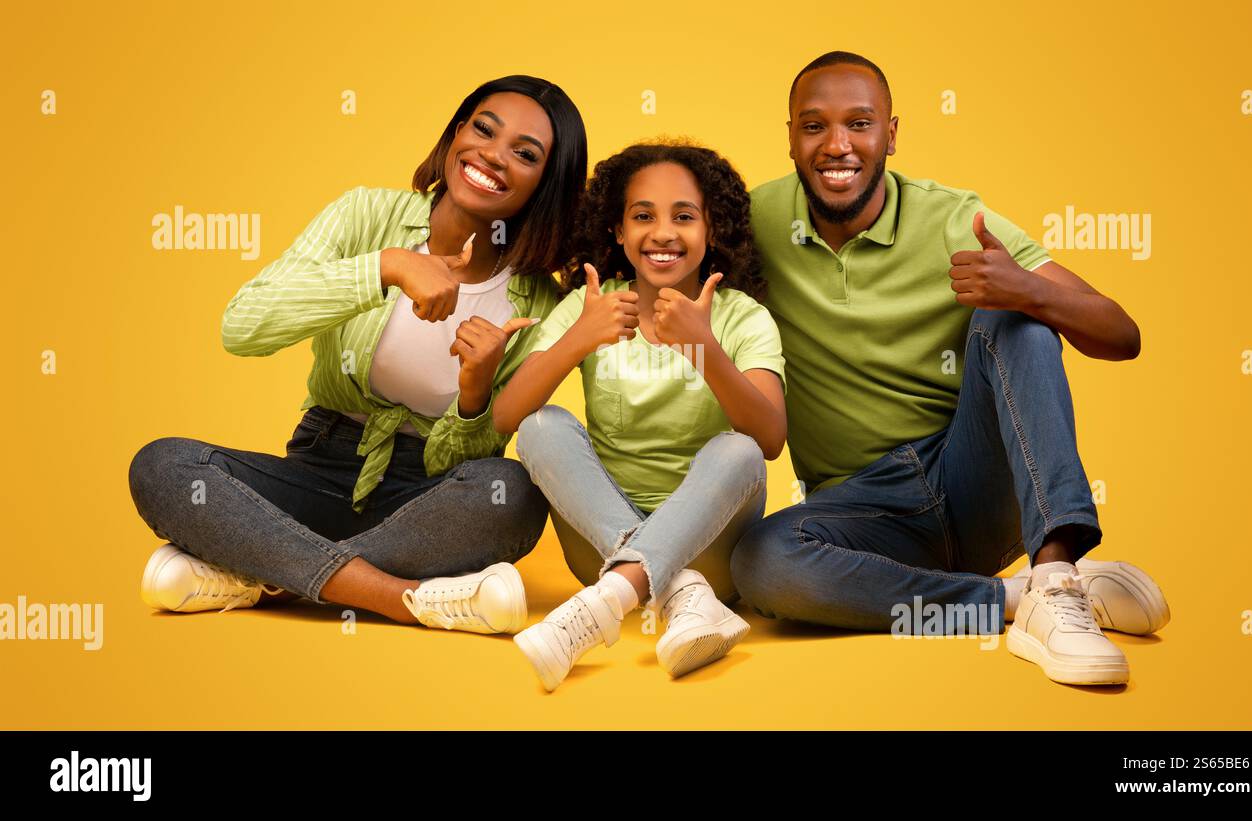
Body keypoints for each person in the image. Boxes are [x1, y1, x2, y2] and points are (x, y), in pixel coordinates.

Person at [732, 52, 1170, 686]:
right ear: (791, 138)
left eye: (859, 123)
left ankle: (1053, 564)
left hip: (970, 478)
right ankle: (1029, 601)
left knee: (1014, 315)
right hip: (861, 513)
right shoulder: (753, 222)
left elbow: (1121, 335)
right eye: (813, 126)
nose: (837, 146)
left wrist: (1028, 289)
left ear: (891, 133)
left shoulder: (953, 219)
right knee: (764, 564)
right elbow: (655, 247)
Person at [128, 75, 589, 634]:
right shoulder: (365, 215)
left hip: (425, 496)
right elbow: (243, 327)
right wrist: (384, 268)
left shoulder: (540, 301)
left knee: (511, 494)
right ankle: (398, 597)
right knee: (163, 465)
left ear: (547, 182)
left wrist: (474, 393)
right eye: (482, 129)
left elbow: (466, 461)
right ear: (455, 134)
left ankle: (262, 573)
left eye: (525, 154)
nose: (492, 156)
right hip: (318, 465)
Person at [493, 141, 787, 690]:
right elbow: (507, 416)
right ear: (618, 233)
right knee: (541, 425)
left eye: (684, 216)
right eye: (643, 216)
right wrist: (579, 337)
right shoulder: (592, 306)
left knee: (738, 448)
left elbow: (769, 439)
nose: (663, 233)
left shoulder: (743, 318)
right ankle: (677, 593)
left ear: (712, 231)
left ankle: (605, 604)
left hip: (714, 546)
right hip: (598, 540)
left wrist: (704, 349)